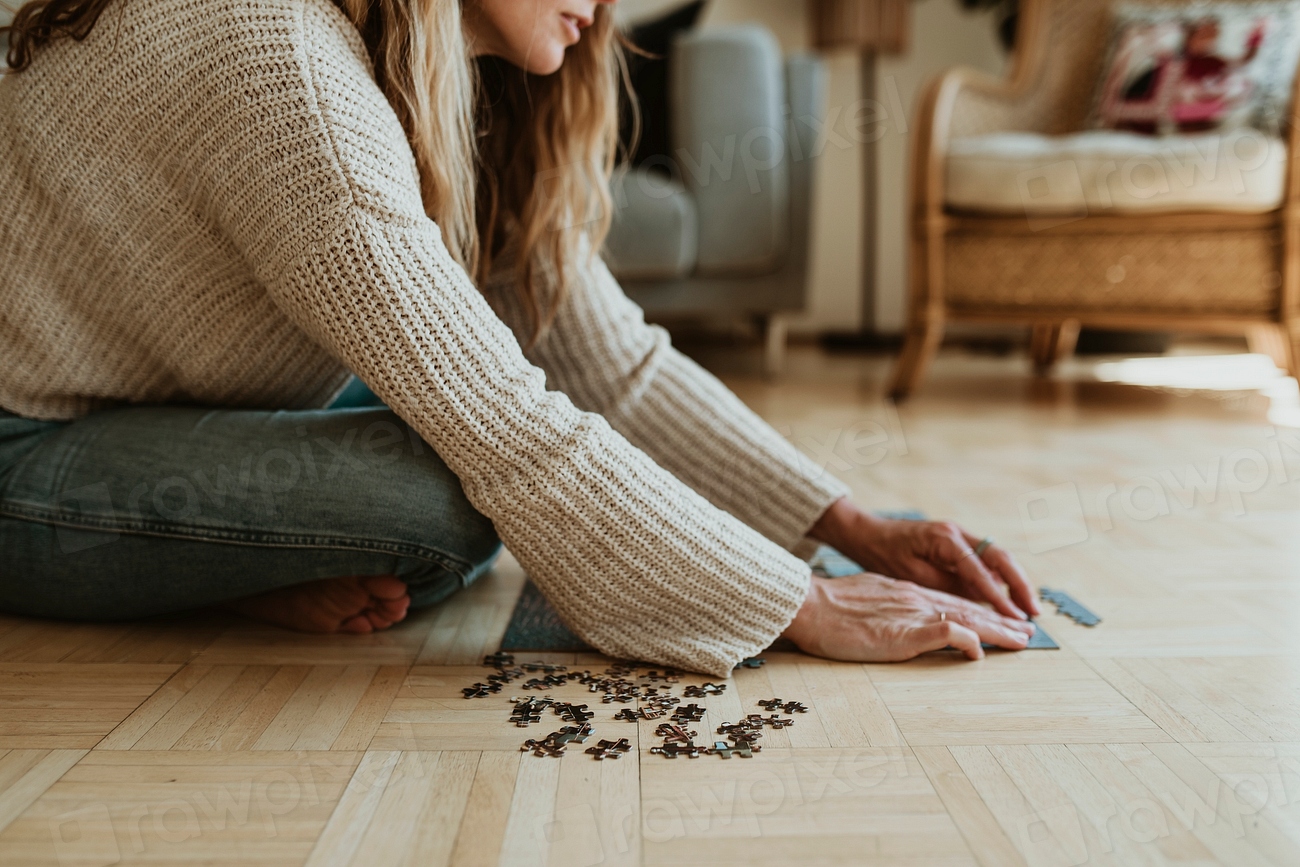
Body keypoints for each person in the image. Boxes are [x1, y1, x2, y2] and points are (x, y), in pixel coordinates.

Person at [0, 0, 1038, 678]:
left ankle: (221, 557)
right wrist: (797, 600)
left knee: (466, 442)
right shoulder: (283, 70)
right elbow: (512, 434)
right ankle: (216, 563)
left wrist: (850, 523)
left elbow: (609, 370)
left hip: (171, 412)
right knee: (443, 502)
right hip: (27, 439)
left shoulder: (445, 69)